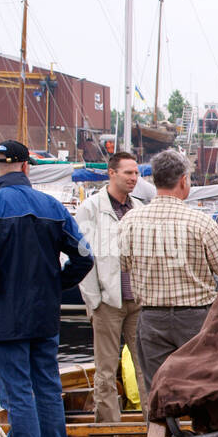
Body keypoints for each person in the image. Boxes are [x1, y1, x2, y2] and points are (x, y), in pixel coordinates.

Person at [0, 138, 93, 437]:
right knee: (48, 387)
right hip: (44, 315)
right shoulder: (52, 207)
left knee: (17, 392)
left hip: (4, 316)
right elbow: (84, 256)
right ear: (25, 166)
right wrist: (55, 285)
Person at [119, 148, 218, 394]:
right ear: (183, 181)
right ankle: (202, 430)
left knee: (158, 391)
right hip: (194, 318)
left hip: (151, 317)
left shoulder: (130, 221)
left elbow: (124, 264)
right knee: (202, 388)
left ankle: (162, 431)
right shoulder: (200, 222)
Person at [77, 150, 148, 421]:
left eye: (136, 173)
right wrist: (94, 300)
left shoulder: (140, 209)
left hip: (137, 301)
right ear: (112, 173)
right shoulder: (91, 208)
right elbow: (82, 256)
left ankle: (152, 425)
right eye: (128, 173)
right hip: (107, 302)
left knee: (145, 365)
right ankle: (109, 428)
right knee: (105, 368)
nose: (134, 178)